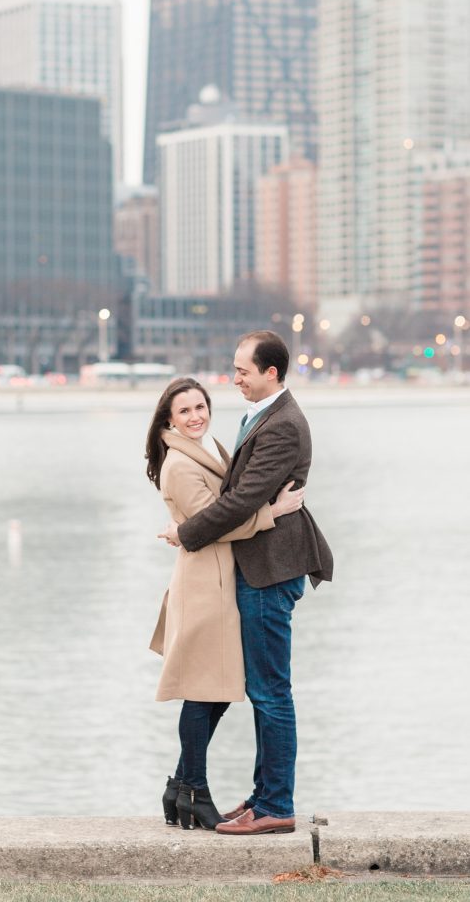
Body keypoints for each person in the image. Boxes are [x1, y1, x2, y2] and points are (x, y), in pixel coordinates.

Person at [159, 332, 333, 836]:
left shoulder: (283, 425)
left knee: (271, 692)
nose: (234, 378)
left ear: (270, 373)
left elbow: (240, 501)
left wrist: (186, 533)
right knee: (263, 691)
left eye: (243, 370)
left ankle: (276, 804)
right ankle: (262, 795)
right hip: (258, 567)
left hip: (269, 571)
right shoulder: (261, 416)